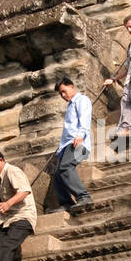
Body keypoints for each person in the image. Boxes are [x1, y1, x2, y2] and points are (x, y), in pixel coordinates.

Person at [53, 78, 94, 216]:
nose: (63, 95)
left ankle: (83, 196)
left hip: (78, 142)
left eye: (64, 91)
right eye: (60, 94)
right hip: (67, 145)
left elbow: (85, 118)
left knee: (65, 168)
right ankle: (66, 203)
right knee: (58, 174)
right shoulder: (70, 105)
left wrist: (81, 134)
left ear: (71, 86)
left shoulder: (82, 100)